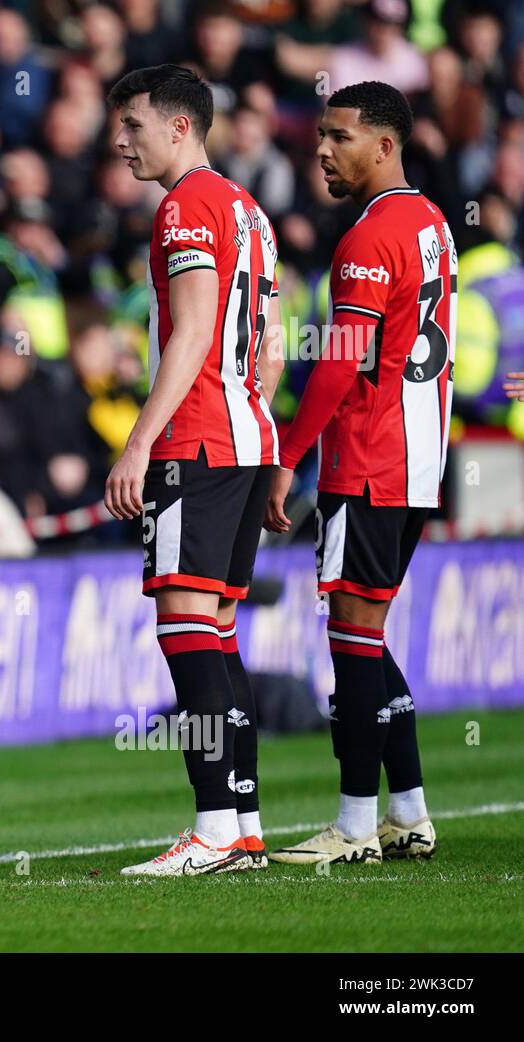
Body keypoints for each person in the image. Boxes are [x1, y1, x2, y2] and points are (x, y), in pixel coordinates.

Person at [266, 82, 455, 866]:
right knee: (368, 639)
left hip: (368, 463)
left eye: (340, 137)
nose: (322, 150)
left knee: (352, 641)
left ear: (385, 145)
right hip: (416, 465)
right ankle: (407, 813)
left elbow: (342, 363)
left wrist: (287, 458)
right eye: (319, 135)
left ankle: (351, 829)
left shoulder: (369, 237)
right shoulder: (434, 224)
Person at [103, 64, 284, 876]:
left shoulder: (185, 206)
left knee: (182, 624)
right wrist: (259, 421)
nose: (121, 140)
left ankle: (212, 826)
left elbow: (195, 330)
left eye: (133, 124)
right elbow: (271, 342)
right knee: (215, 631)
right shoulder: (250, 211)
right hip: (246, 436)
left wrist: (141, 440)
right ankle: (240, 825)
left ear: (180, 127)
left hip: (197, 438)